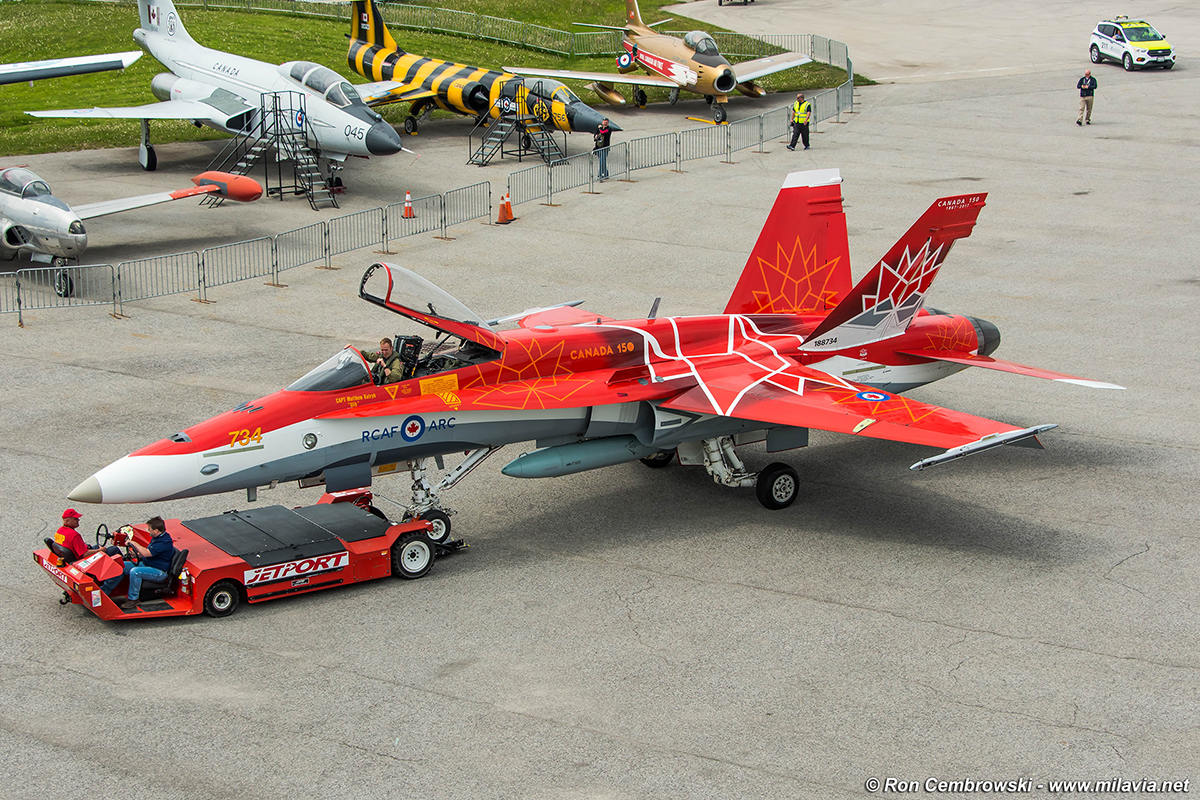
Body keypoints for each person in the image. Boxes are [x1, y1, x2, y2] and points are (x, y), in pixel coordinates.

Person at [100, 516, 176, 610]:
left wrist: (134, 543)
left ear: (156, 530)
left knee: (135, 572)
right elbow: (149, 554)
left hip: (159, 572)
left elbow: (146, 553)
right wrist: (136, 556)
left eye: (149, 529)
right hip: (148, 564)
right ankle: (104, 591)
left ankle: (133, 599)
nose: (148, 531)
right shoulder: (157, 538)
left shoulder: (164, 542)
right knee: (120, 566)